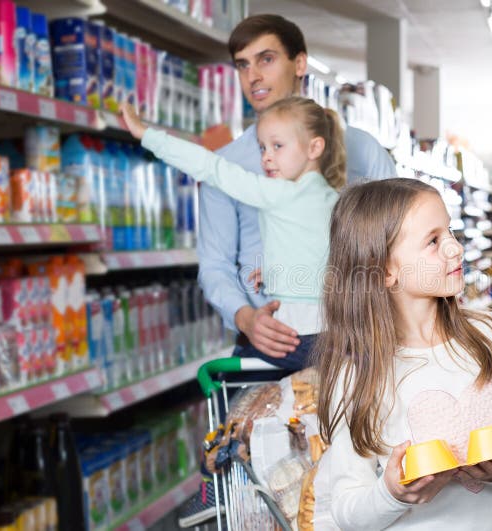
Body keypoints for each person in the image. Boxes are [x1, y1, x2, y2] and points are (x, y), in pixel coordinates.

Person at [315, 178, 492, 530]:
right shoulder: (359, 373)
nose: (454, 248)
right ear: (385, 270)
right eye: (433, 241)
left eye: (451, 232)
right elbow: (347, 511)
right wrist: (391, 494)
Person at [198, 14, 396, 370]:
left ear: (300, 63)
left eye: (266, 59)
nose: (253, 76)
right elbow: (215, 264)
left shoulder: (362, 150)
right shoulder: (226, 165)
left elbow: (397, 240)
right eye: (242, 65)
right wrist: (246, 318)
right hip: (270, 346)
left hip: (352, 342)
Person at [122, 95, 343, 370]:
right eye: (262, 148)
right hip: (335, 337)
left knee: (238, 390)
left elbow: (212, 168)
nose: (266, 158)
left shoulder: (278, 193)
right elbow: (328, 258)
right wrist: (280, 269)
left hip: (294, 337)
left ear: (314, 148)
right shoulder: (336, 199)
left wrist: (147, 135)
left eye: (277, 146)